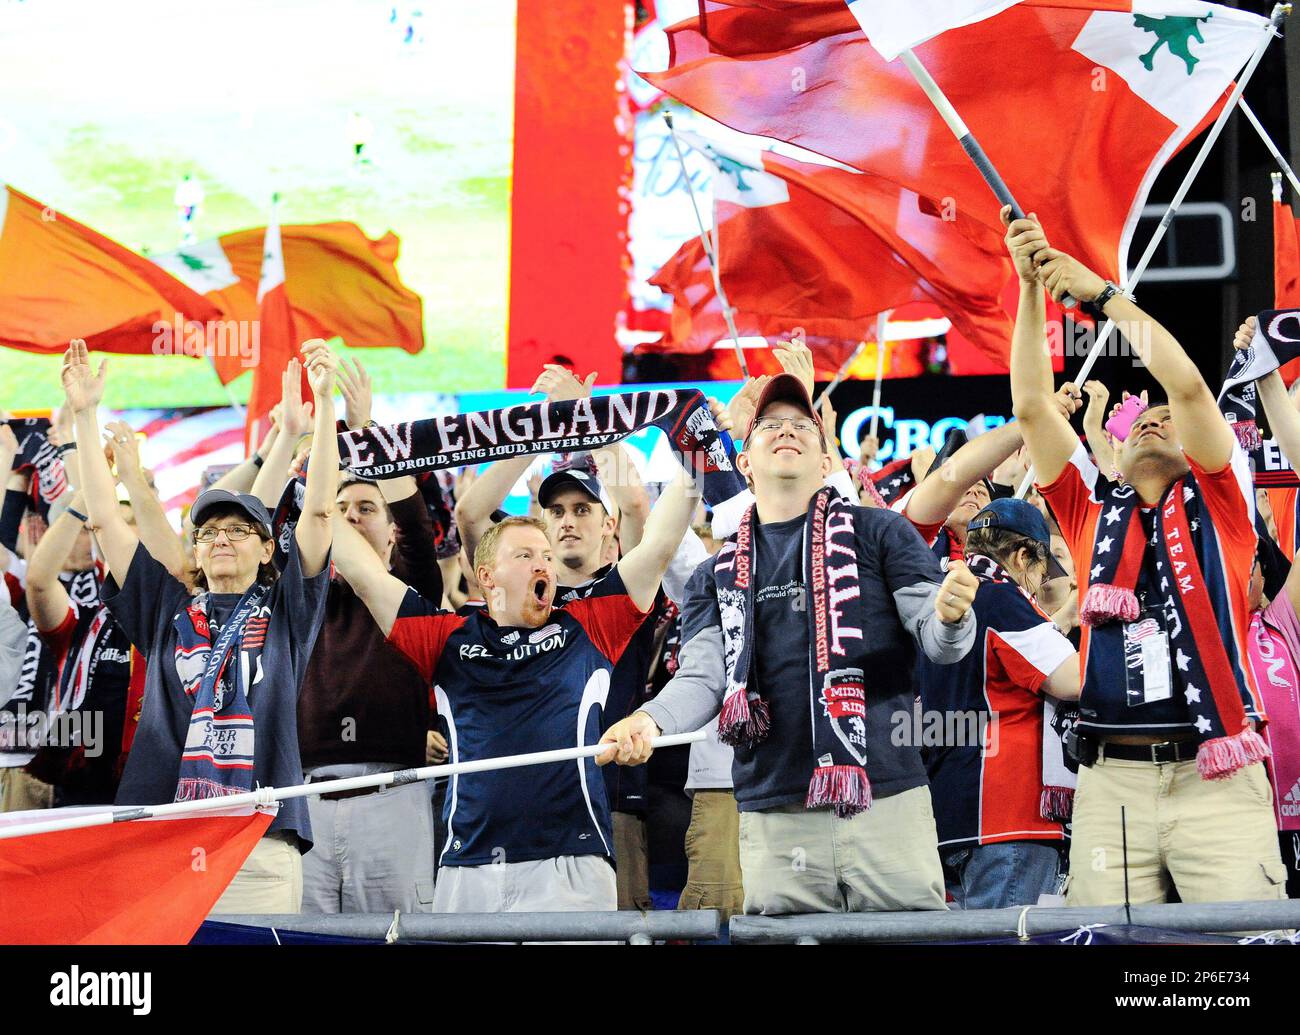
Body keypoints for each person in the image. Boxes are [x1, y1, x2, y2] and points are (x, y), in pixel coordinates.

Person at [602, 373, 980, 915]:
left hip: (886, 797)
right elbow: (703, 678)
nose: (787, 430)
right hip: (774, 811)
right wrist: (649, 721)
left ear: (826, 461)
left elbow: (940, 643)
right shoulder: (714, 575)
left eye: (803, 425)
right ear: (745, 462)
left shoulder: (882, 532)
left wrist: (952, 617)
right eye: (770, 425)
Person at [1005, 207, 1287, 906]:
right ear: (1118, 450)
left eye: (1168, 420)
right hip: (1111, 785)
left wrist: (1102, 297)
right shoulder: (1088, 510)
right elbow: (1034, 408)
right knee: (1106, 950)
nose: (1156, 420)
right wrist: (1031, 288)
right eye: (1143, 421)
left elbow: (1187, 385)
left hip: (1216, 778)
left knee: (1239, 951)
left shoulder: (1223, 503)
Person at [334, 459, 699, 913]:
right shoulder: (444, 636)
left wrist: (695, 455)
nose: (542, 563)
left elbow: (659, 544)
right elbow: (364, 575)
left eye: (546, 556)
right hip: (467, 865)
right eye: (525, 556)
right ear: (487, 576)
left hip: (573, 861)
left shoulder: (590, 624)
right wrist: (314, 485)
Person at [66, 338, 338, 914]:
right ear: (195, 548)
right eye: (209, 531)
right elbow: (104, 521)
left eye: (239, 530)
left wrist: (327, 405)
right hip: (164, 836)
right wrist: (86, 417)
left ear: (268, 548)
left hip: (258, 840)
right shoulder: (166, 611)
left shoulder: (288, 610)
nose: (221, 539)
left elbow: (318, 512)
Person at [295, 348, 446, 914]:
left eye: (366, 507)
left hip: (394, 799)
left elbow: (416, 523)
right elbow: (309, 518)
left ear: (390, 534)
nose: (353, 516)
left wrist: (367, 433)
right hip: (305, 801)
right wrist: (322, 418)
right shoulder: (302, 596)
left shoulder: (413, 593)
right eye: (343, 508)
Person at [914, 498, 1080, 909]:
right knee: (1010, 936)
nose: (1038, 584)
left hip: (950, 810)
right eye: (1041, 571)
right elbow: (1073, 680)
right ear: (1022, 556)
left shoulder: (939, 601)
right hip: (1007, 817)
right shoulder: (1001, 597)